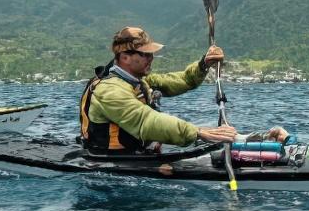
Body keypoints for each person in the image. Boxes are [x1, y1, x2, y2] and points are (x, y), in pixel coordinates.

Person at [79, 26, 237, 153]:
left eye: (151, 54)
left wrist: (204, 64)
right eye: (146, 54)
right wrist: (197, 132)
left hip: (136, 152)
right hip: (107, 167)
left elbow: (184, 80)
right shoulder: (109, 91)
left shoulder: (141, 81)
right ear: (125, 57)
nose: (151, 58)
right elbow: (145, 121)